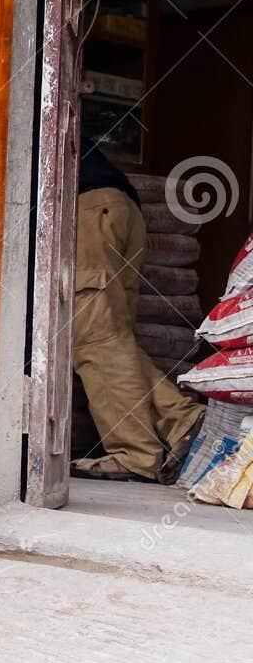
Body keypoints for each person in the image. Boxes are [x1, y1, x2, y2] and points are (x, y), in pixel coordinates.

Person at [72, 142, 205, 482]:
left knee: (92, 339)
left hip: (88, 210)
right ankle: (183, 419)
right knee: (113, 337)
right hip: (120, 209)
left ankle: (135, 455)